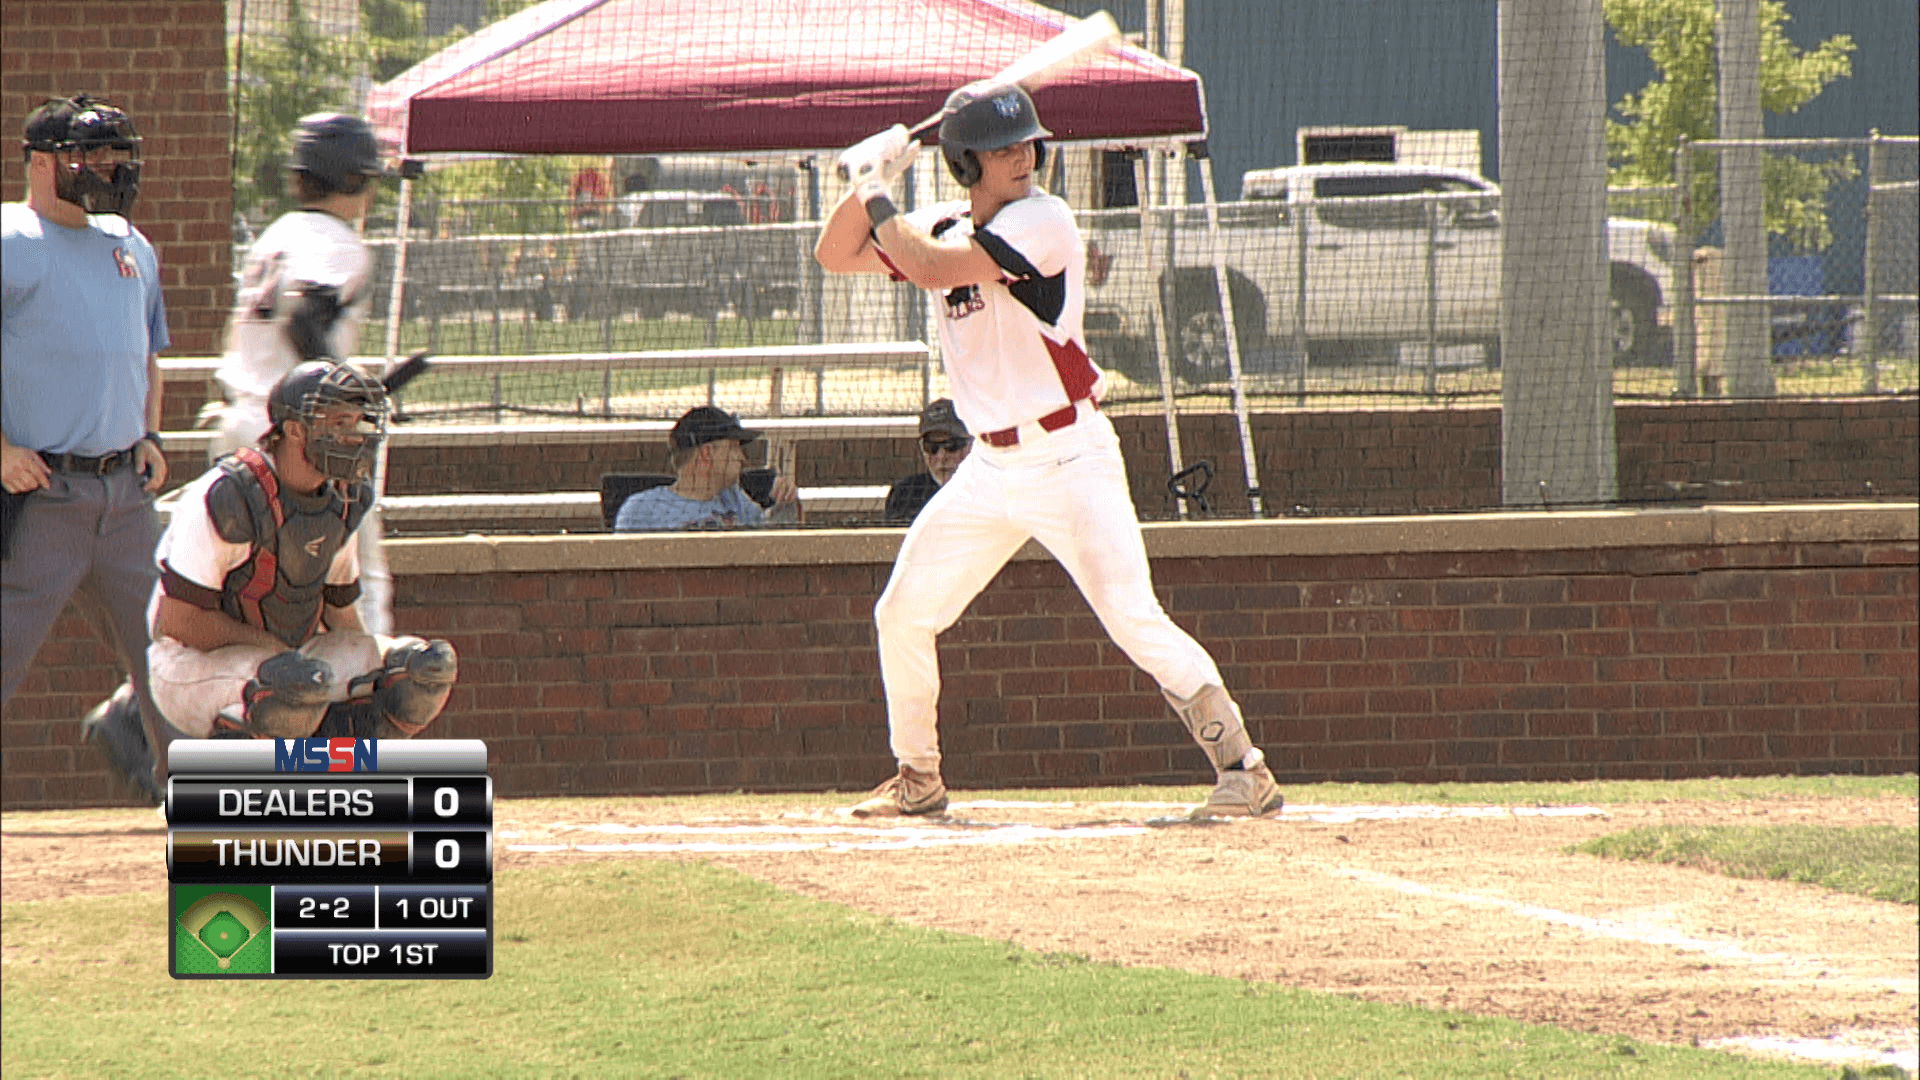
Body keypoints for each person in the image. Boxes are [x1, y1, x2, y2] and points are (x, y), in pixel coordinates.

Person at [814, 84, 1283, 819]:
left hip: (1070, 455)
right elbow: (835, 253)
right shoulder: (936, 223)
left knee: (1132, 615)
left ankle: (1243, 769)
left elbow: (937, 268)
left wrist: (875, 189)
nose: (1023, 156)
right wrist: (874, 175)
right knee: (902, 613)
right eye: (1002, 149)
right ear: (966, 165)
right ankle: (919, 777)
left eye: (1028, 143)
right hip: (990, 468)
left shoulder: (1046, 220)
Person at [2, 94, 171, 802]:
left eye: (113, 154)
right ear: (42, 162)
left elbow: (149, 353)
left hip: (126, 496)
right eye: (88, 154)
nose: (106, 167)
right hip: (38, 497)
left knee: (171, 658)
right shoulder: (10, 240)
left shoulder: (131, 244)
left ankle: (204, 809)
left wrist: (152, 432)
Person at [146, 360, 457, 741]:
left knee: (420, 669)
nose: (353, 436)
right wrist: (281, 656)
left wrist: (364, 685)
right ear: (294, 429)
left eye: (357, 422)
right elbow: (178, 622)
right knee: (296, 684)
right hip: (188, 665)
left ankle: (356, 779)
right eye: (338, 424)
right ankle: (229, 780)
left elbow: (340, 616)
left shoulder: (341, 498)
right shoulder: (230, 496)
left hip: (290, 661)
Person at [211, 112, 398, 635]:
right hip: (299, 437)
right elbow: (305, 319)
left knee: (241, 585)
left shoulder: (279, 232)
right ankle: (367, 698)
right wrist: (348, 400)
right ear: (356, 180)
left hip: (239, 426)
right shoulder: (338, 240)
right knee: (357, 576)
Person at [614, 406, 800, 532]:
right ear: (707, 453)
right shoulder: (642, 510)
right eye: (733, 448)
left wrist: (785, 502)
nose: (742, 458)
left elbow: (772, 549)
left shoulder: (735, 500)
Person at [885, 398, 972, 525]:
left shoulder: (991, 491)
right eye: (932, 447)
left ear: (972, 445)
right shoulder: (904, 494)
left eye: (952, 445)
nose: (942, 456)